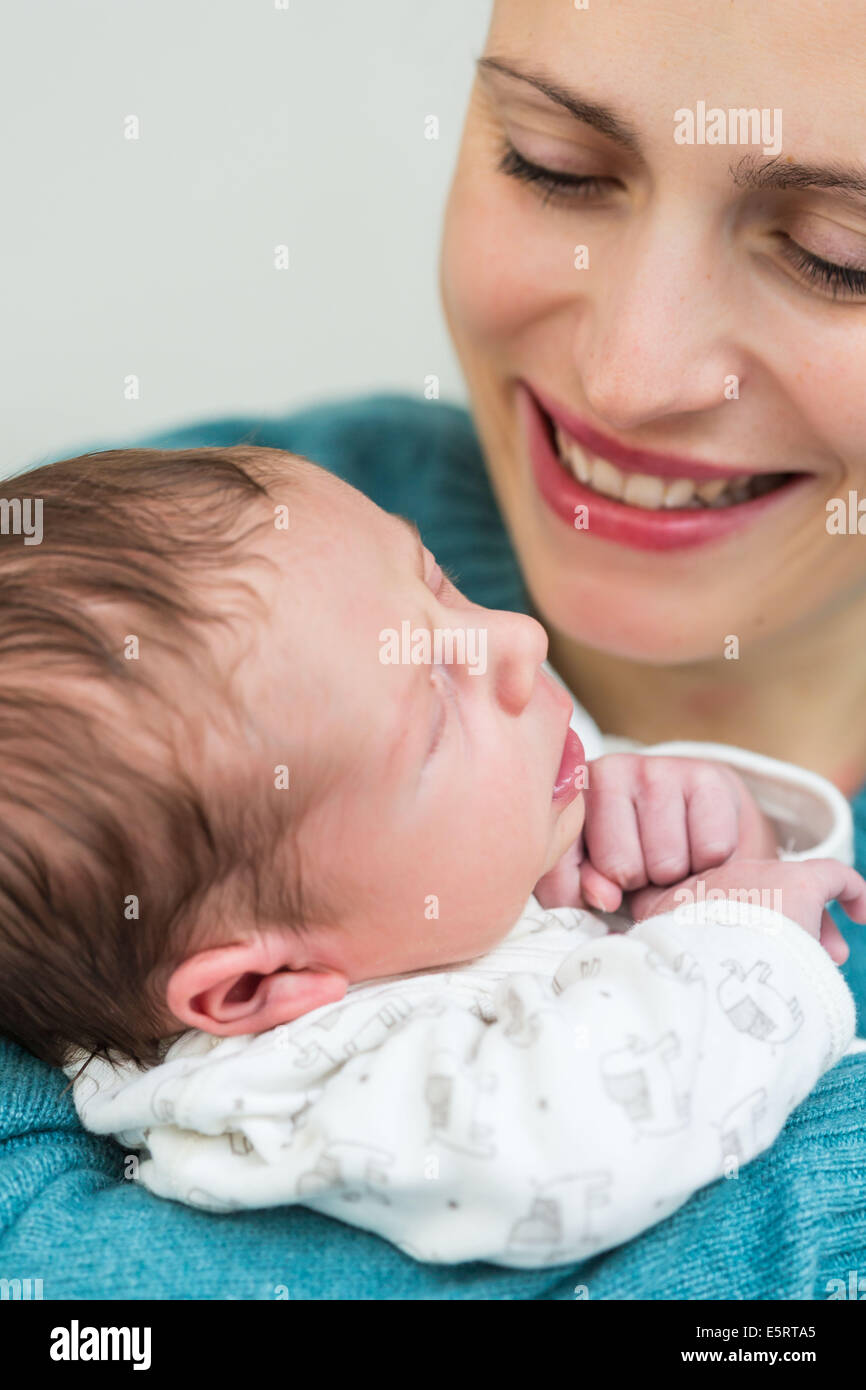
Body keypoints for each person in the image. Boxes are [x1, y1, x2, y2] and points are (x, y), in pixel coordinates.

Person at [3, 0, 866, 1299]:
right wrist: (734, 939)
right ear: (252, 985)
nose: (629, 377)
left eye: (837, 253)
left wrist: (694, 826)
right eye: (552, 162)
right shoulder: (121, 635)